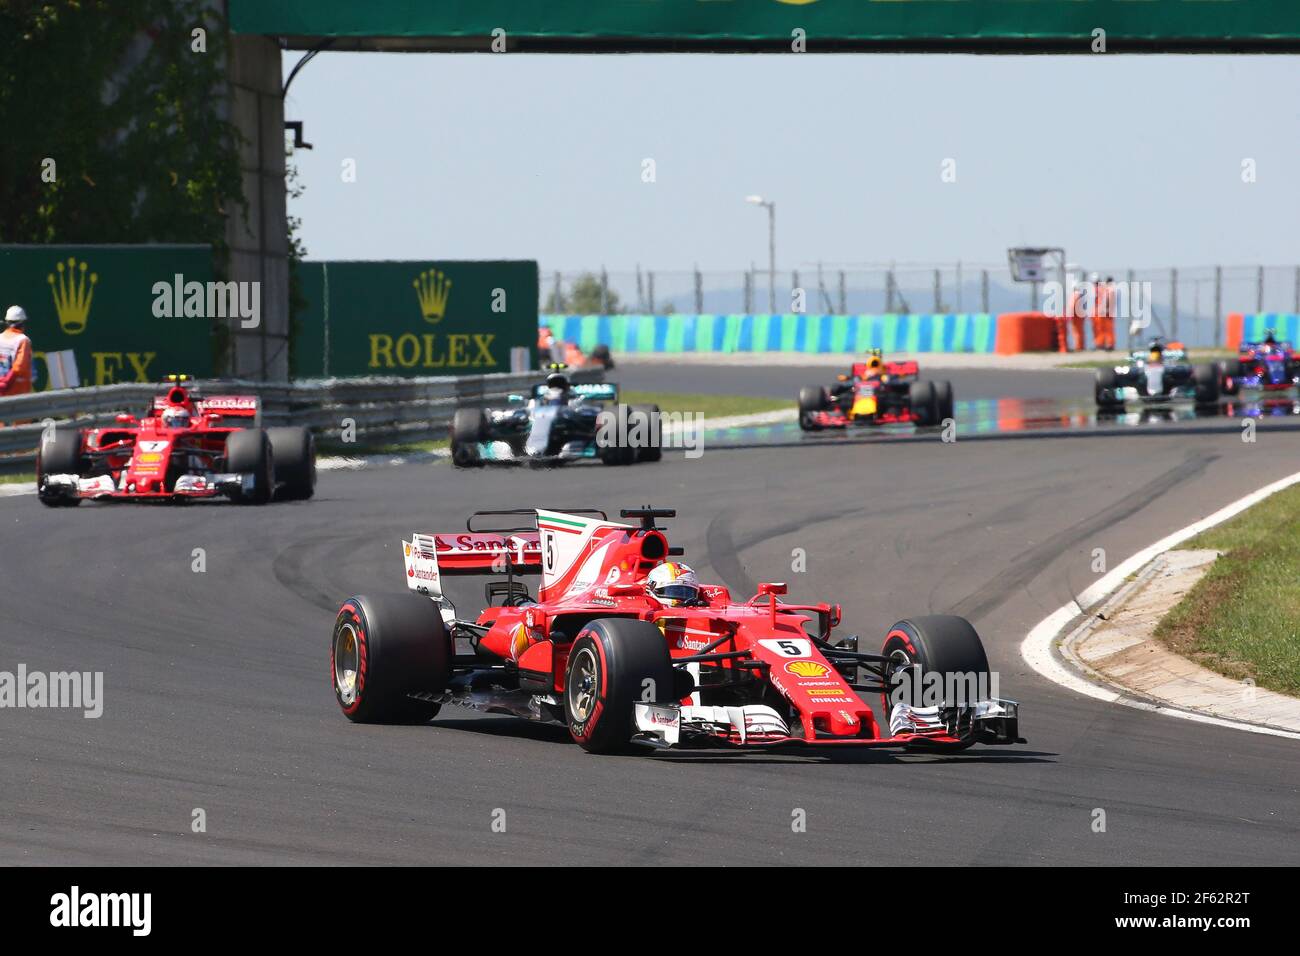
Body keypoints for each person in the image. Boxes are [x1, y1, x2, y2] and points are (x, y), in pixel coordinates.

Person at [0, 305, 34, 397]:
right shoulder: (23, 340)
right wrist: (6, 382)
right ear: (22, 323)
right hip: (18, 390)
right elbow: (19, 366)